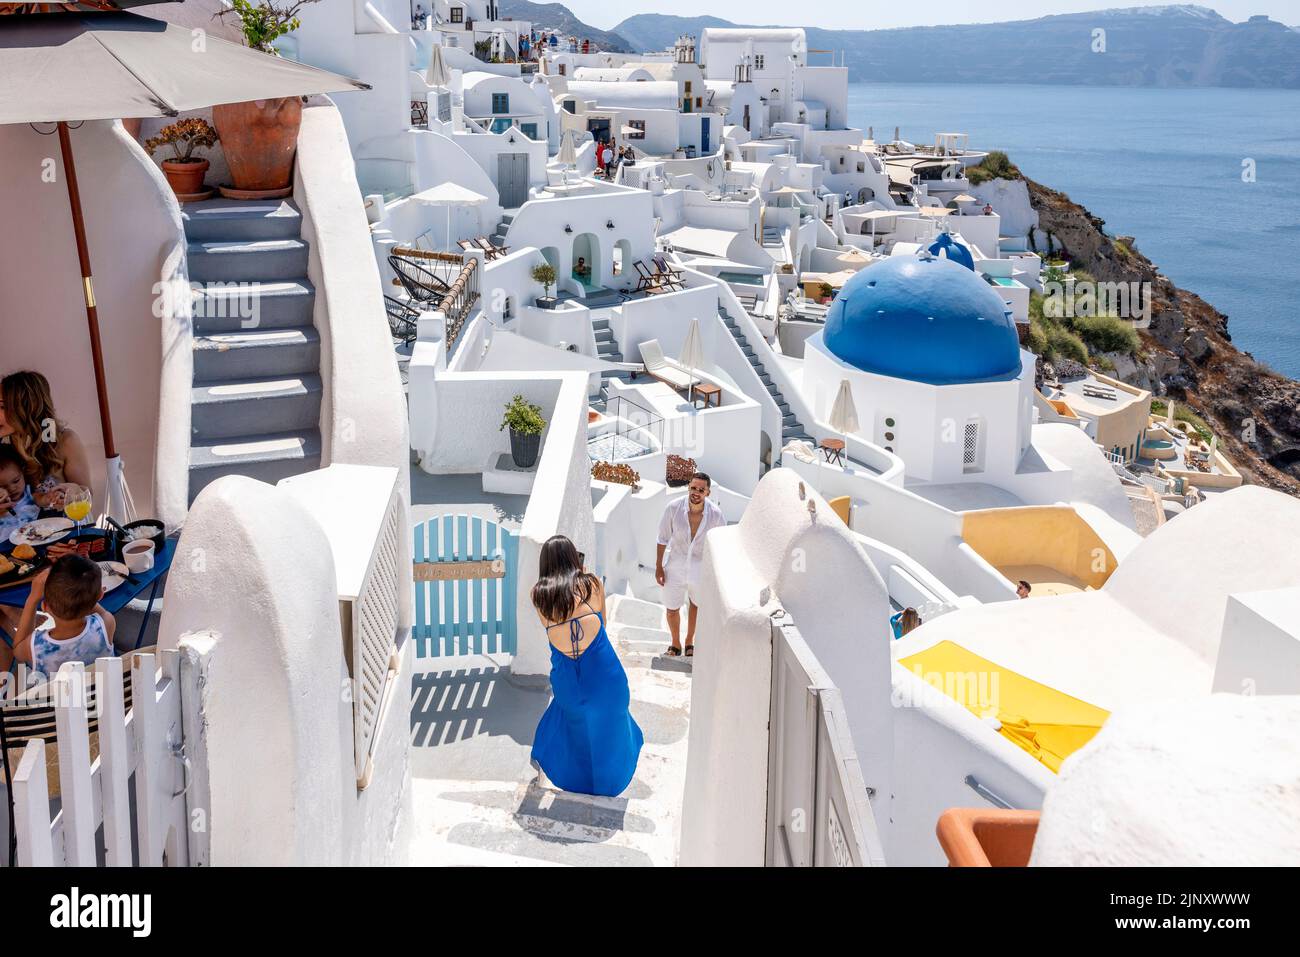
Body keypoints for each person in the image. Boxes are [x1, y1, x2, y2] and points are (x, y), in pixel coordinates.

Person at [529, 535, 643, 797]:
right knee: (612, 731)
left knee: (571, 728)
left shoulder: (539, 596)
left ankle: (575, 780)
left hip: (567, 678)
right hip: (604, 674)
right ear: (572, 557)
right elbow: (602, 622)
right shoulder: (590, 584)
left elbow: (551, 624)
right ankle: (609, 784)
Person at [0, 556, 116, 678]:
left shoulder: (36, 647)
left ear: (44, 606)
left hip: (62, 697)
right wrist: (82, 580)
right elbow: (97, 607)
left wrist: (32, 598)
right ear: (100, 595)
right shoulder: (106, 624)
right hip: (106, 693)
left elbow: (17, 649)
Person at [655, 472, 725, 657]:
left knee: (696, 605)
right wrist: (658, 567)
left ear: (707, 493)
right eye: (693, 488)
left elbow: (721, 545)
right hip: (675, 566)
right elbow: (662, 538)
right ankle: (675, 643)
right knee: (671, 608)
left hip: (700, 569)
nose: (696, 492)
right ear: (688, 487)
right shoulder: (673, 508)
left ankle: (689, 642)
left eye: (701, 490)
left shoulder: (716, 516)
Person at [0, 370, 91, 511]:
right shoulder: (7, 444)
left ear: (25, 408)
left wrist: (70, 493)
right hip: (21, 531)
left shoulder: (65, 441)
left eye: (2, 407)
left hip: (66, 528)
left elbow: (87, 494)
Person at [0, 443, 40, 540]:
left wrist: (48, 498)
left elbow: (40, 499)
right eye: (2, 486)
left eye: (16, 481)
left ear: (23, 471)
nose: (12, 488)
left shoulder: (30, 494)